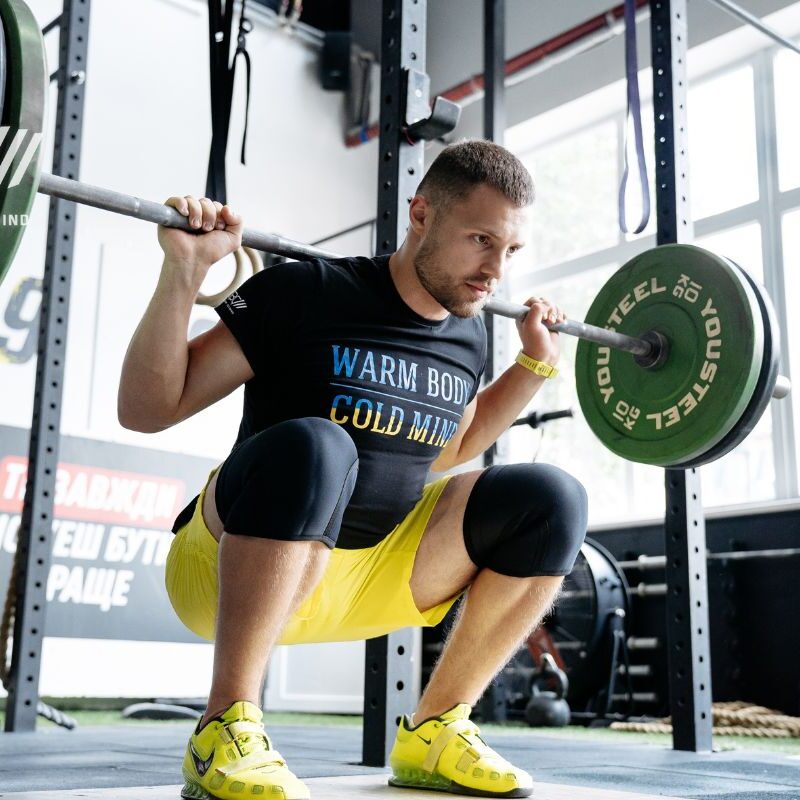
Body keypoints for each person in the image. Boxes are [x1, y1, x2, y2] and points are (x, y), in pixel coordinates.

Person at [118, 139, 588, 800]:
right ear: (421, 215)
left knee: (552, 497)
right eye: (481, 240)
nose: (495, 272)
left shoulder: (469, 331)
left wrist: (533, 367)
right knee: (320, 446)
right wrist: (183, 272)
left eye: (510, 250)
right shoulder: (305, 290)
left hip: (373, 578)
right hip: (227, 574)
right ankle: (222, 726)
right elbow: (147, 409)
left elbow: (446, 448)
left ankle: (435, 731)